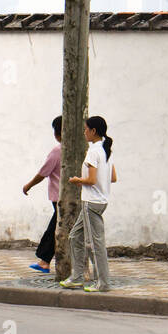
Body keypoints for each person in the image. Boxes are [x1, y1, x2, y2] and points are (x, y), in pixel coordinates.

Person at [60, 116, 117, 293]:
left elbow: (91, 180)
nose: (84, 132)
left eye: (86, 129)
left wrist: (78, 180)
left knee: (95, 243)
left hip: (91, 203)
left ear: (93, 131)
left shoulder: (93, 151)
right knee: (75, 237)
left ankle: (103, 283)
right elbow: (113, 178)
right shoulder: (106, 151)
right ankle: (77, 277)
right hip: (100, 201)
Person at [23, 116, 63, 273]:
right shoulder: (79, 149)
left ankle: (44, 261)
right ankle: (44, 261)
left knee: (55, 229)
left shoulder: (57, 151)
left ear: (57, 134)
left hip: (59, 197)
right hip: (72, 197)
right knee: (57, 228)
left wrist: (29, 185)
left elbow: (43, 172)